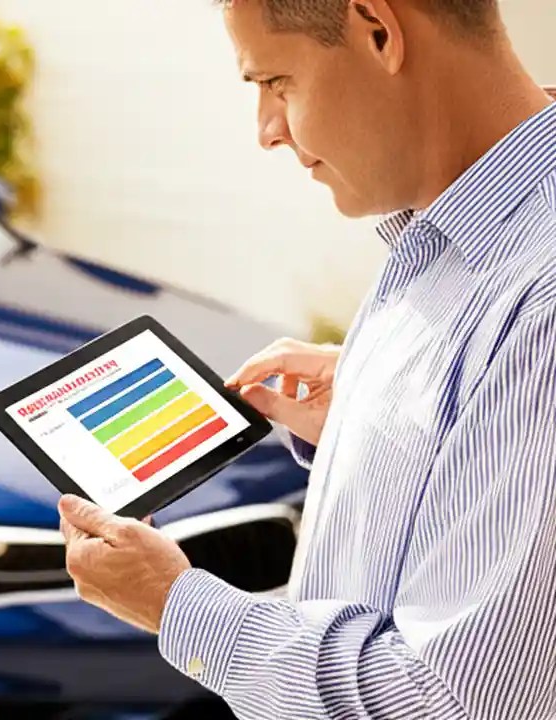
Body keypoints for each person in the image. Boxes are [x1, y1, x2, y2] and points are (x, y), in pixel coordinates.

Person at [56, 1, 556, 718]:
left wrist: (177, 606)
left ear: (377, 29)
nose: (267, 130)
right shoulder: (449, 234)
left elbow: (450, 702)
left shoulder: (542, 306)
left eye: (278, 83)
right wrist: (381, 423)